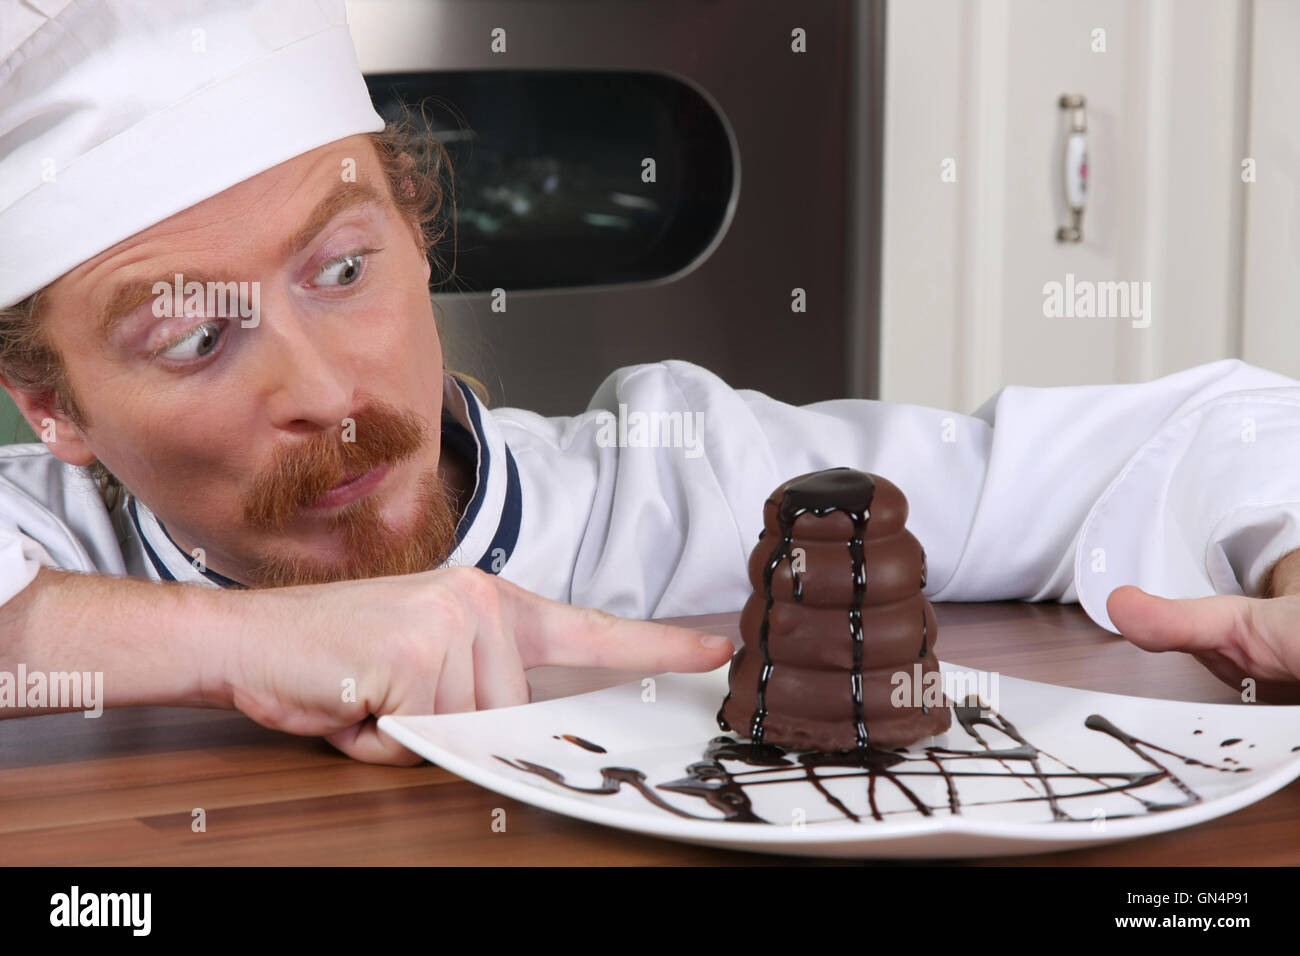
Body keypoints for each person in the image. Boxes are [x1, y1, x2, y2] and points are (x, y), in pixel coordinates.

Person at [1, 1, 1297, 766]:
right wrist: (247, 647)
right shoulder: (48, 548)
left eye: (342, 268)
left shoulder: (677, 482)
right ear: (53, 409)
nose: (325, 386)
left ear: (412, 222)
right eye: (196, 338)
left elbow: (1197, 431)